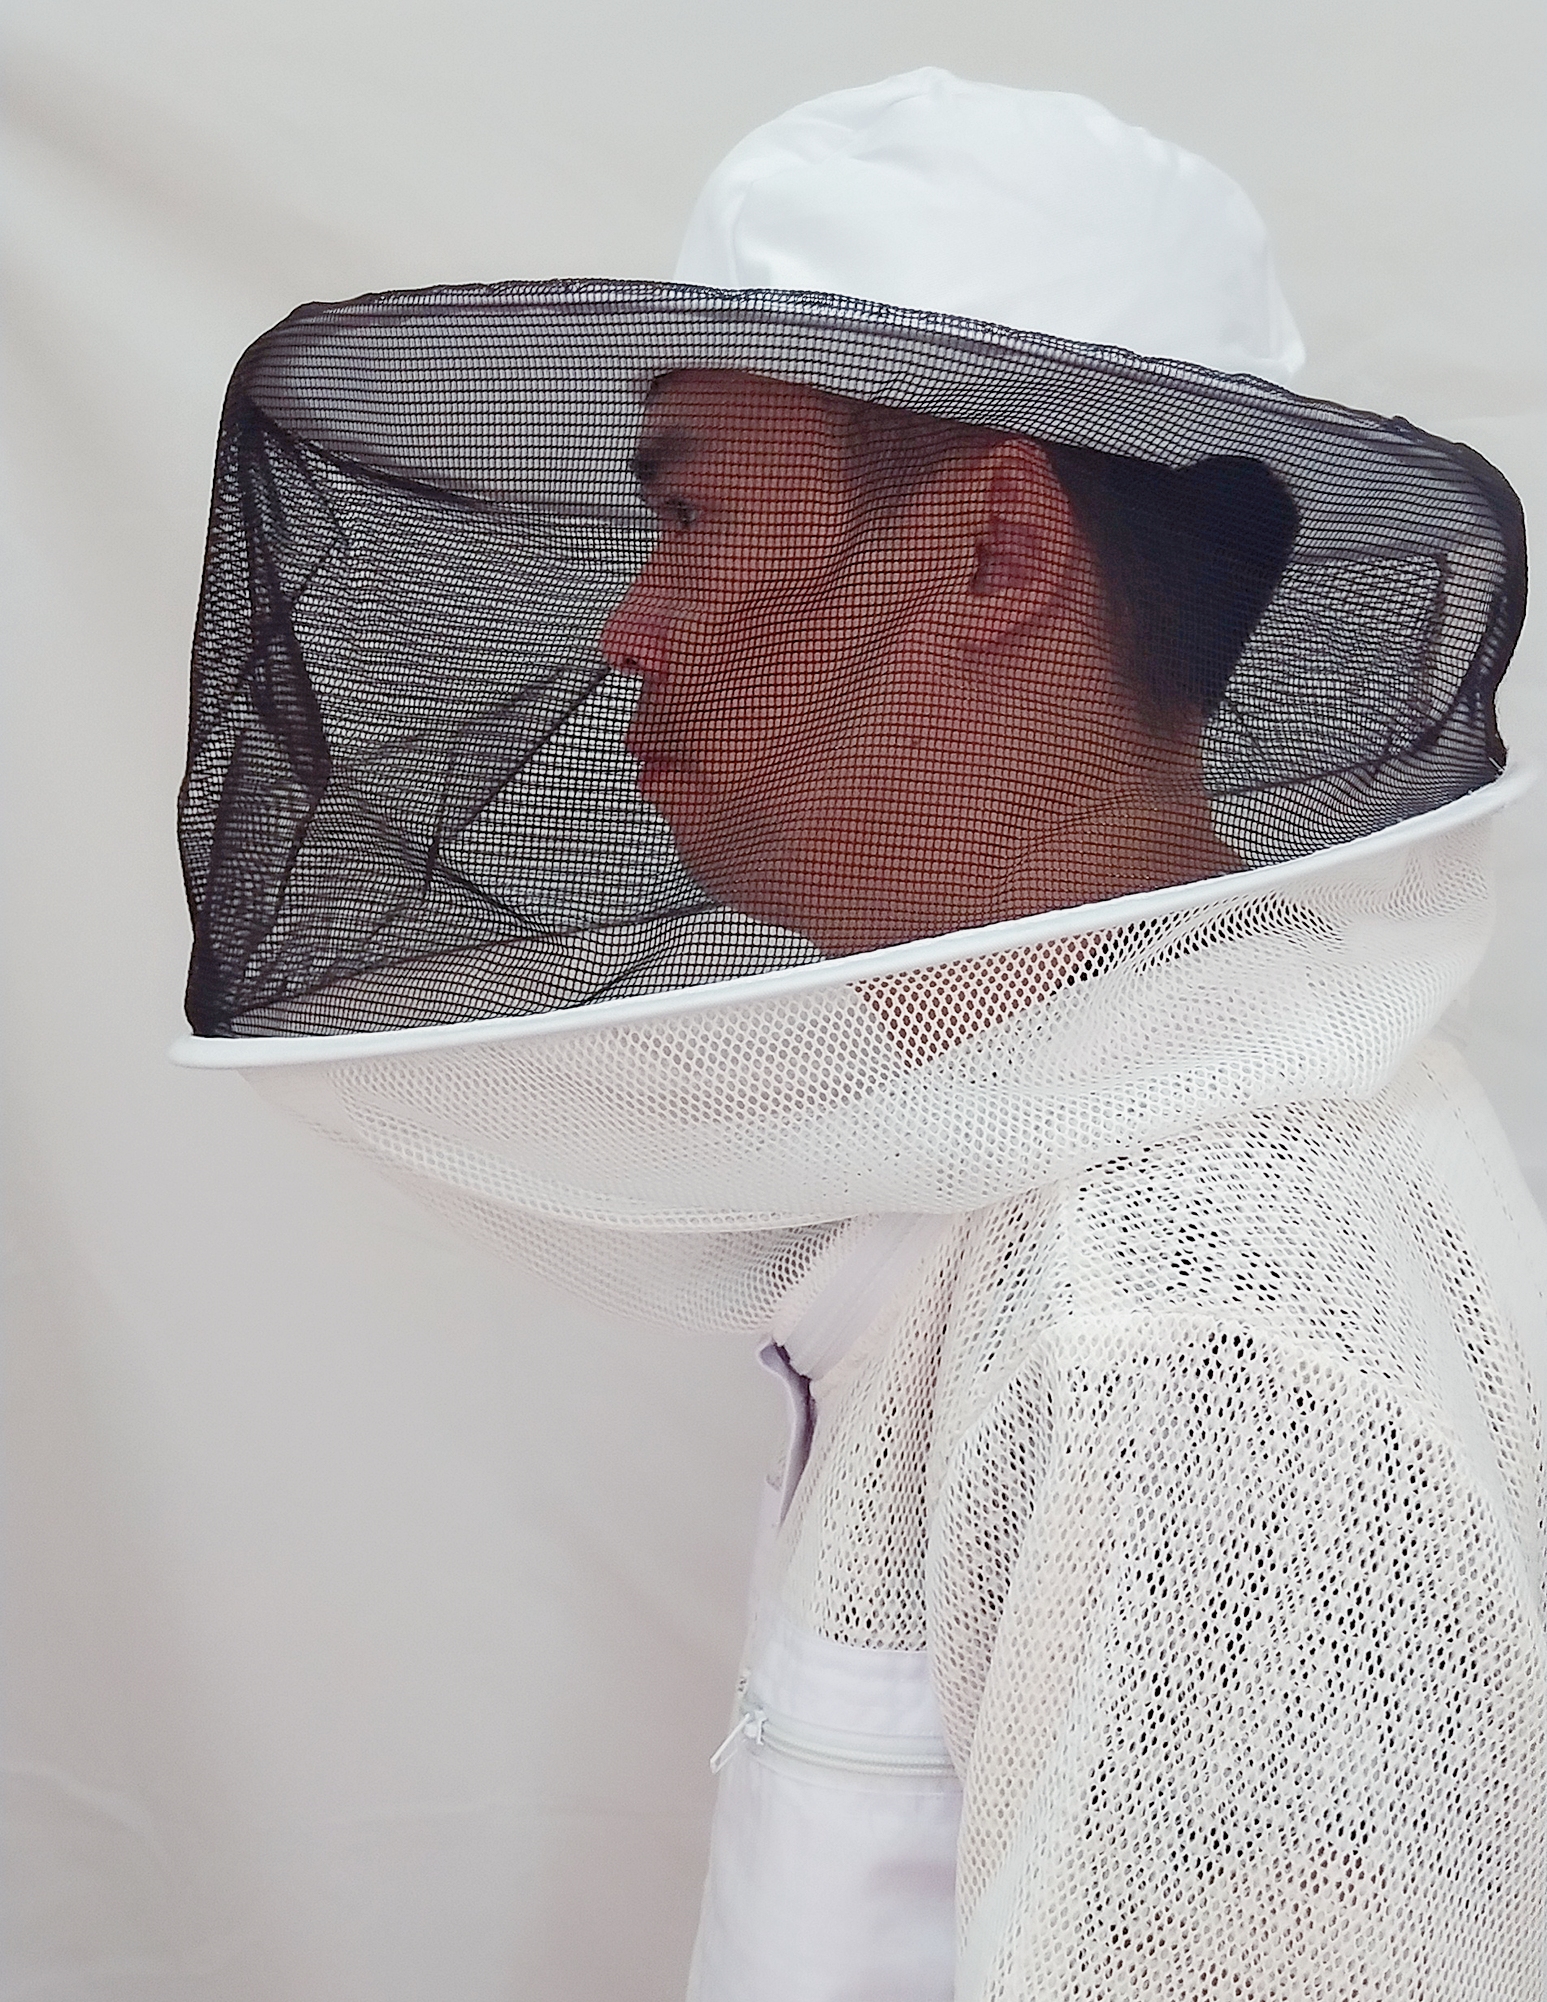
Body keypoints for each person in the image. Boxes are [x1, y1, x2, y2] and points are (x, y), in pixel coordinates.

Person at [175, 69, 1547, 2002]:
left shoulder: (1184, 1303)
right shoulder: (1072, 1150)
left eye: (690, 516)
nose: (625, 627)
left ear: (993, 554)